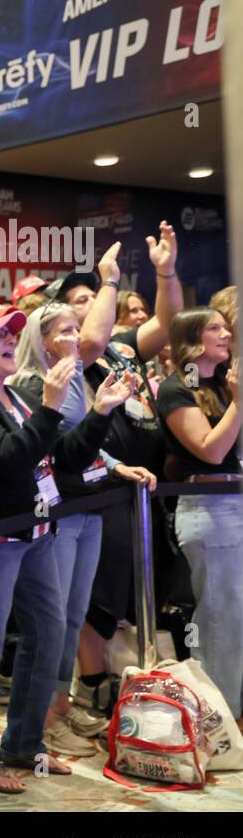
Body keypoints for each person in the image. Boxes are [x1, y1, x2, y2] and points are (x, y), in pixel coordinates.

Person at [0, 299, 131, 794]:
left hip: (37, 531)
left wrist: (100, 413)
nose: (9, 340)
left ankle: (24, 743)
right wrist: (50, 405)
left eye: (12, 333)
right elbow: (11, 458)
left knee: (48, 635)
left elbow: (63, 459)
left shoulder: (13, 397)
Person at [8, 302, 151, 757]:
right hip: (59, 511)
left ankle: (62, 708)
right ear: (43, 339)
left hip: (88, 507)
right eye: (65, 330)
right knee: (51, 622)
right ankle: (44, 721)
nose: (76, 335)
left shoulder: (74, 380)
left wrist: (115, 463)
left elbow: (89, 445)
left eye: (76, 328)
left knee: (74, 616)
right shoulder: (32, 385)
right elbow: (61, 448)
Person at [61, 226, 184, 713]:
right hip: (101, 491)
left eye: (97, 296)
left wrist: (165, 271)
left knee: (139, 588)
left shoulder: (124, 348)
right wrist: (109, 281)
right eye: (82, 299)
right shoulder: (74, 354)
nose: (94, 303)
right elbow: (91, 338)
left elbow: (169, 322)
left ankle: (132, 680)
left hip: (143, 490)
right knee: (99, 595)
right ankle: (93, 686)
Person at [157, 307, 241, 727]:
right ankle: (222, 719)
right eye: (215, 328)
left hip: (233, 501)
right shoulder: (178, 387)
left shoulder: (220, 384)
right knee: (222, 617)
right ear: (192, 339)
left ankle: (231, 712)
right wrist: (239, 403)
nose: (227, 333)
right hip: (211, 505)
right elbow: (210, 448)